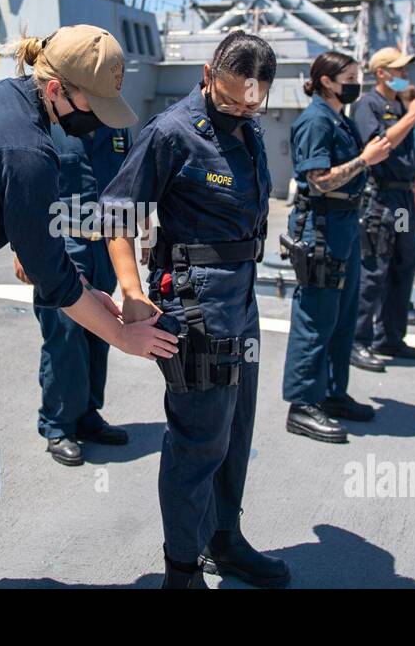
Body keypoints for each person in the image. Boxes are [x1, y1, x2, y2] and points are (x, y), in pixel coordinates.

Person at [0, 25, 178, 588]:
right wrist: (124, 335)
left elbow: (44, 255)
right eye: (94, 106)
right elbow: (47, 273)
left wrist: (98, 294)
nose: (95, 121)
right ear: (57, 90)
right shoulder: (28, 147)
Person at [103, 30, 290, 589]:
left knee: (235, 428)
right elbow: (117, 214)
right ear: (208, 75)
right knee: (198, 439)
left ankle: (224, 540)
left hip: (241, 295)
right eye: (230, 100)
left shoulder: (248, 127)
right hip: (195, 303)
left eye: (251, 104)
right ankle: (181, 571)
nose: (240, 111)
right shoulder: (171, 133)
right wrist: (132, 294)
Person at [281, 51, 391, 443]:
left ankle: (331, 393)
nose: (355, 82)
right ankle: (302, 405)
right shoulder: (315, 121)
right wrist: (365, 159)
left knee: (343, 317)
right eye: (350, 75)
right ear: (327, 80)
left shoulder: (337, 118)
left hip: (343, 226)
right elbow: (318, 181)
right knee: (316, 318)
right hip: (322, 229)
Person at [15, 119, 133, 466]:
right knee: (64, 335)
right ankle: (57, 424)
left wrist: (144, 229)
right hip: (61, 244)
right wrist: (23, 248)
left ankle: (87, 415)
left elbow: (128, 183)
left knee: (101, 331)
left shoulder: (117, 126)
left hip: (105, 247)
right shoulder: (48, 124)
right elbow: (26, 188)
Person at [350, 47, 415, 372]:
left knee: (403, 265)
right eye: (398, 71)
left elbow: (405, 160)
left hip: (401, 200)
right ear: (381, 73)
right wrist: (413, 116)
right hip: (379, 200)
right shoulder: (368, 105)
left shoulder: (398, 104)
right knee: (373, 270)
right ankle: (358, 341)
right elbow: (380, 147)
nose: (404, 76)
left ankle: (390, 337)